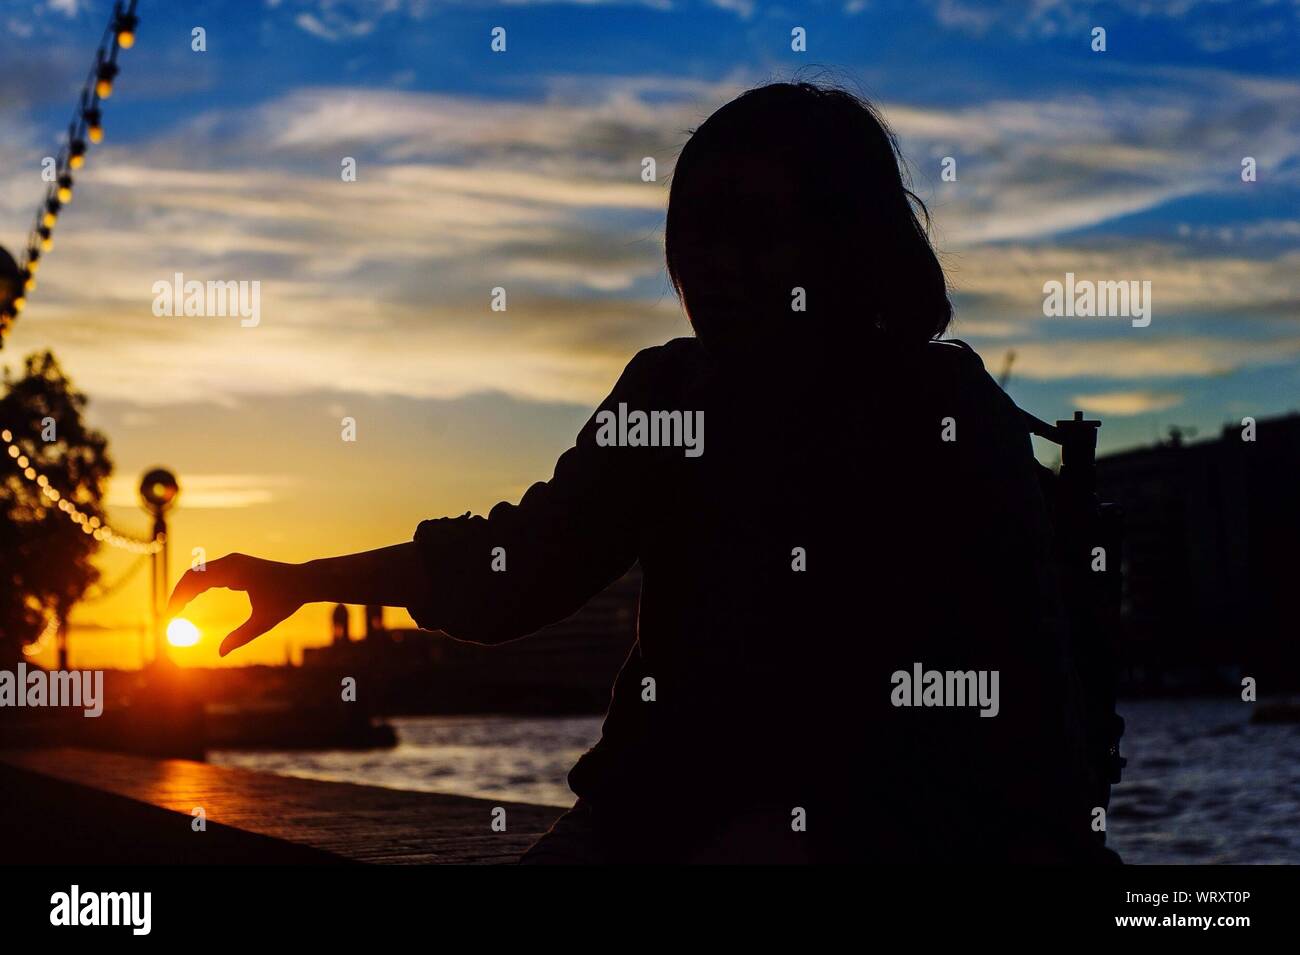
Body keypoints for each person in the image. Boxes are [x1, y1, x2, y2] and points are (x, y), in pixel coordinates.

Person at [167, 82, 1105, 864]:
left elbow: (1004, 700)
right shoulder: (675, 395)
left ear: (845, 243)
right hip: (664, 827)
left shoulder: (938, 412)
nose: (715, 265)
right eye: (695, 227)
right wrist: (303, 580)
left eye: (757, 229)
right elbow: (516, 565)